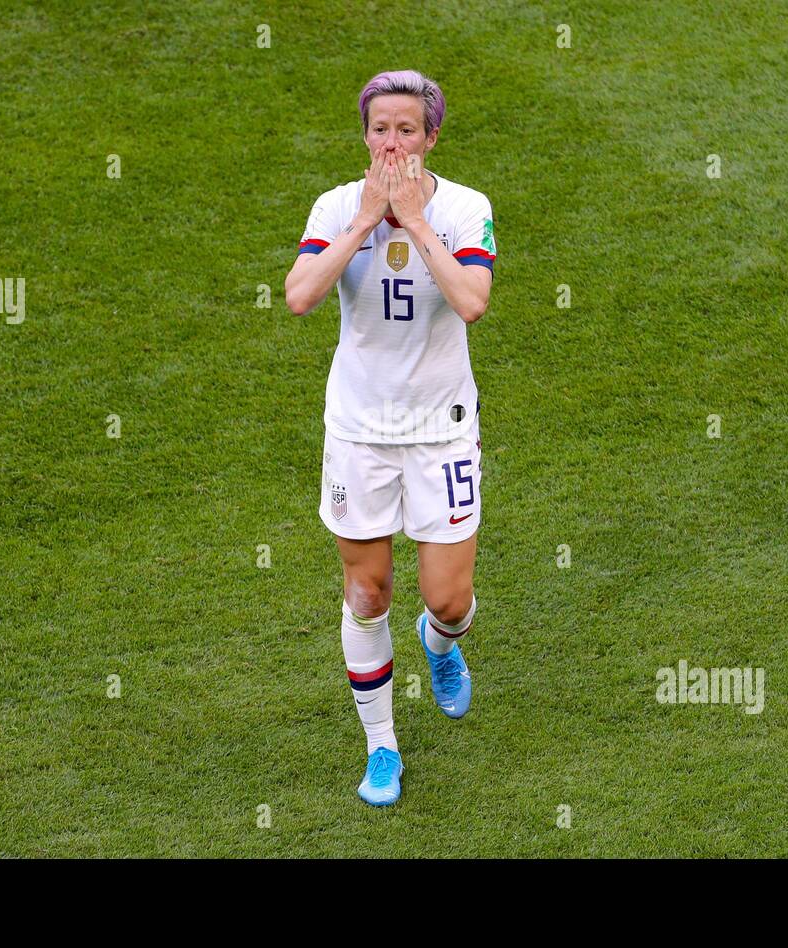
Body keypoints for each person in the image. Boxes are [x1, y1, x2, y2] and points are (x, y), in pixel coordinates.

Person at [284, 69, 497, 806]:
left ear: (431, 136)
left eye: (408, 130)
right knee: (366, 593)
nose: (393, 142)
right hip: (360, 434)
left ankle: (440, 648)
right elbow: (301, 296)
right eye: (381, 129)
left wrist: (413, 222)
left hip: (441, 433)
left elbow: (471, 301)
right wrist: (365, 223)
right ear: (365, 134)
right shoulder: (338, 205)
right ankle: (382, 748)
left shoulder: (467, 209)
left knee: (448, 600)